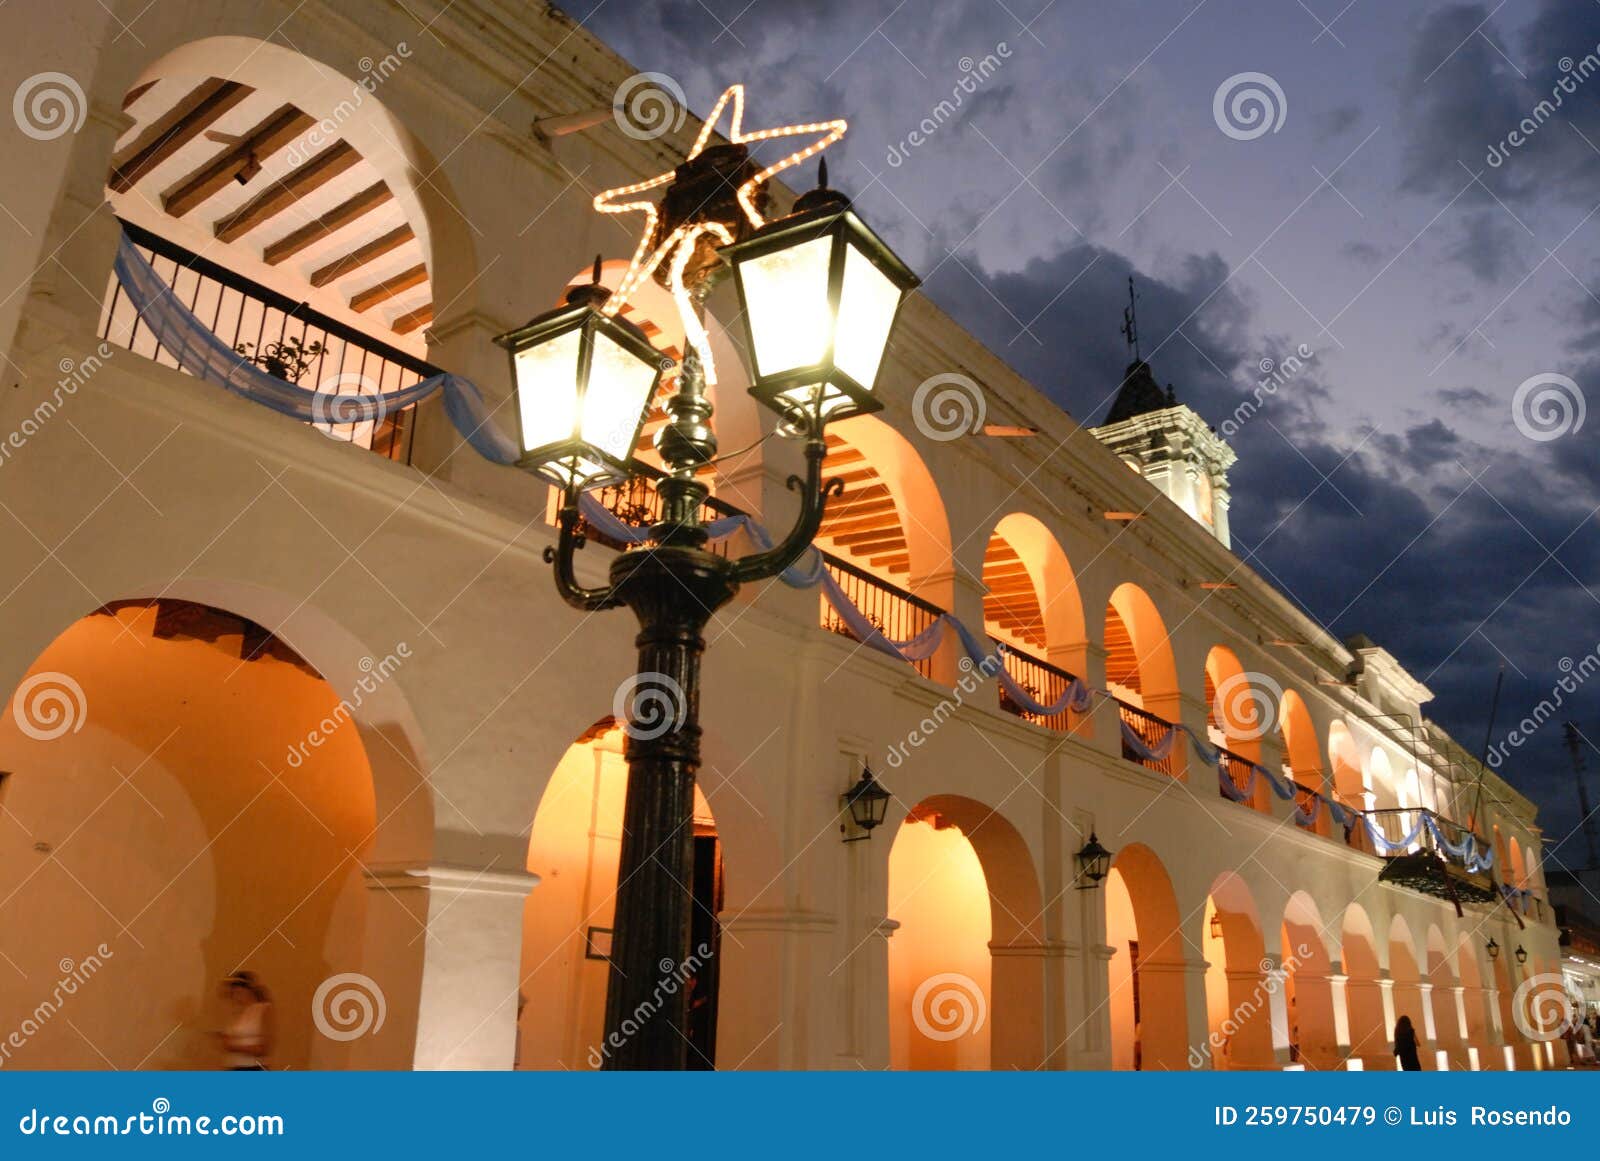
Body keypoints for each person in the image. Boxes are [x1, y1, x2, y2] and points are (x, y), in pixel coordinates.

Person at [218, 971, 273, 1070]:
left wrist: (234, 1046)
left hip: (253, 1068)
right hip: (235, 1068)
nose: (235, 997)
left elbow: (263, 1048)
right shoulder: (237, 1013)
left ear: (248, 990)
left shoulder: (263, 1010)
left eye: (238, 992)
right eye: (233, 993)